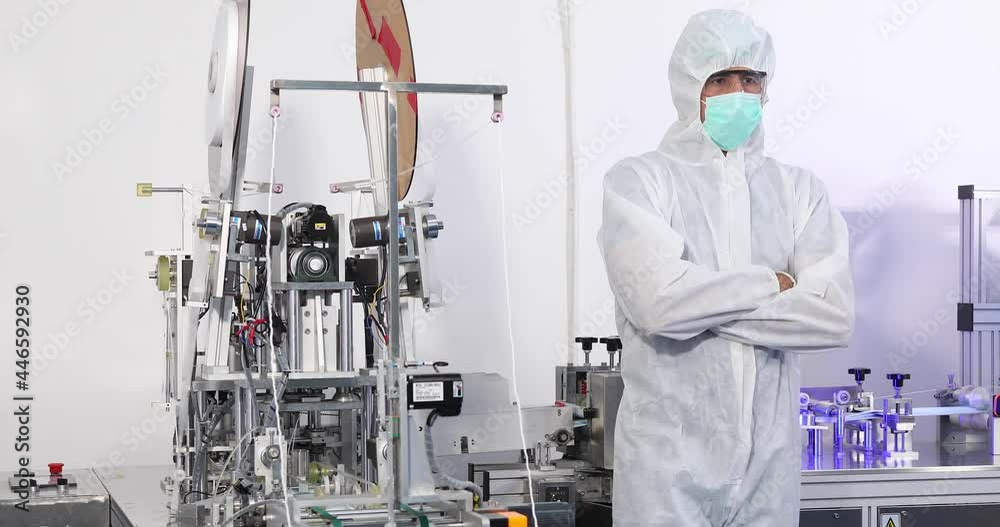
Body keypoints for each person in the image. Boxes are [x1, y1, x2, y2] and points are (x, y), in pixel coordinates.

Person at [598, 9, 854, 526]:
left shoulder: (798, 191)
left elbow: (832, 316)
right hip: (666, 473)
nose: (739, 91)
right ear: (689, 87)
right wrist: (772, 283)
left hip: (770, 472)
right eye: (720, 78)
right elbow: (657, 303)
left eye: (751, 78)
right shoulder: (640, 183)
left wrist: (696, 302)